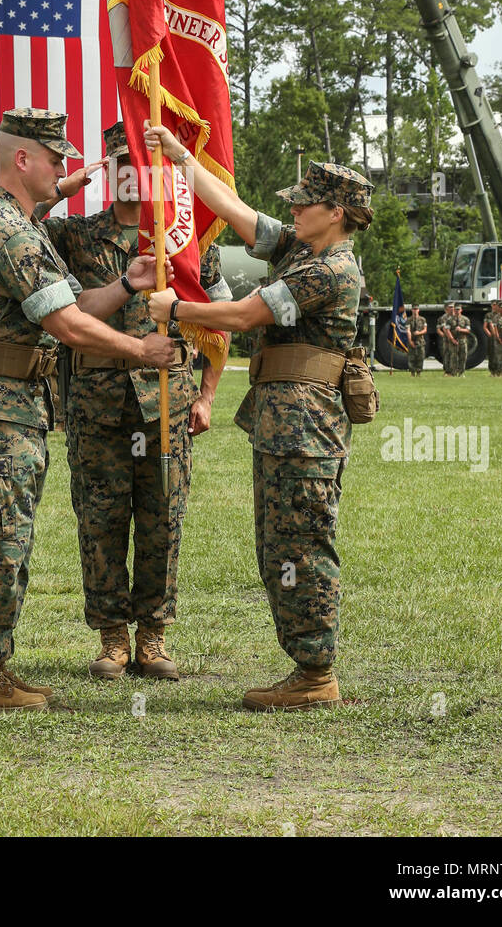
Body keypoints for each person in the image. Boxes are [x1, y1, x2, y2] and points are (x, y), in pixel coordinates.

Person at [0, 108, 176, 714]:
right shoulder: (10, 230)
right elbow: (68, 325)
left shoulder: (23, 224)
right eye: (55, 158)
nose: (65, 168)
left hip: (11, 407)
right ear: (22, 159)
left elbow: (76, 302)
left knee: (7, 537)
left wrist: (128, 283)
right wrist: (141, 349)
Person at [144, 125, 373, 712]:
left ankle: (316, 674)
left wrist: (178, 308)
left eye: (305, 202)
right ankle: (307, 668)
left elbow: (246, 315)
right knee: (278, 547)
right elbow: (238, 213)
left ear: (337, 212)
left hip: (306, 430)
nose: (292, 208)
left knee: (300, 546)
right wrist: (182, 160)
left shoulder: (330, 269)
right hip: (285, 426)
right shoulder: (304, 247)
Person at [34, 120, 231, 681]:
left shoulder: (180, 240)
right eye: (120, 164)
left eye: (141, 165)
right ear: (109, 170)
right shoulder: (75, 235)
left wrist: (208, 396)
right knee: (99, 520)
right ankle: (112, 638)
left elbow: (219, 323)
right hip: (97, 404)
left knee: (162, 519)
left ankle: (154, 637)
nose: (131, 175)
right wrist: (60, 190)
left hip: (165, 403)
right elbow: (17, 231)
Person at [436, 302, 459, 376]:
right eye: (450, 307)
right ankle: (447, 371)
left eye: (453, 307)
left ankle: (455, 371)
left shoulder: (457, 317)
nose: (452, 308)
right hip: (446, 340)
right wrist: (442, 335)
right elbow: (439, 329)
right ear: (446, 308)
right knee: (447, 354)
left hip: (456, 338)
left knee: (455, 355)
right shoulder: (443, 318)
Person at [406, 305, 427, 376]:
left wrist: (419, 333)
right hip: (411, 340)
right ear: (412, 310)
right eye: (414, 309)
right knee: (411, 357)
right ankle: (412, 372)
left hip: (420, 341)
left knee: (420, 357)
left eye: (416, 309)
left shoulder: (422, 319)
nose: (415, 310)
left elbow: (425, 330)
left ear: (418, 310)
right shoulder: (408, 320)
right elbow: (408, 331)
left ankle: (419, 372)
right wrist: (410, 341)